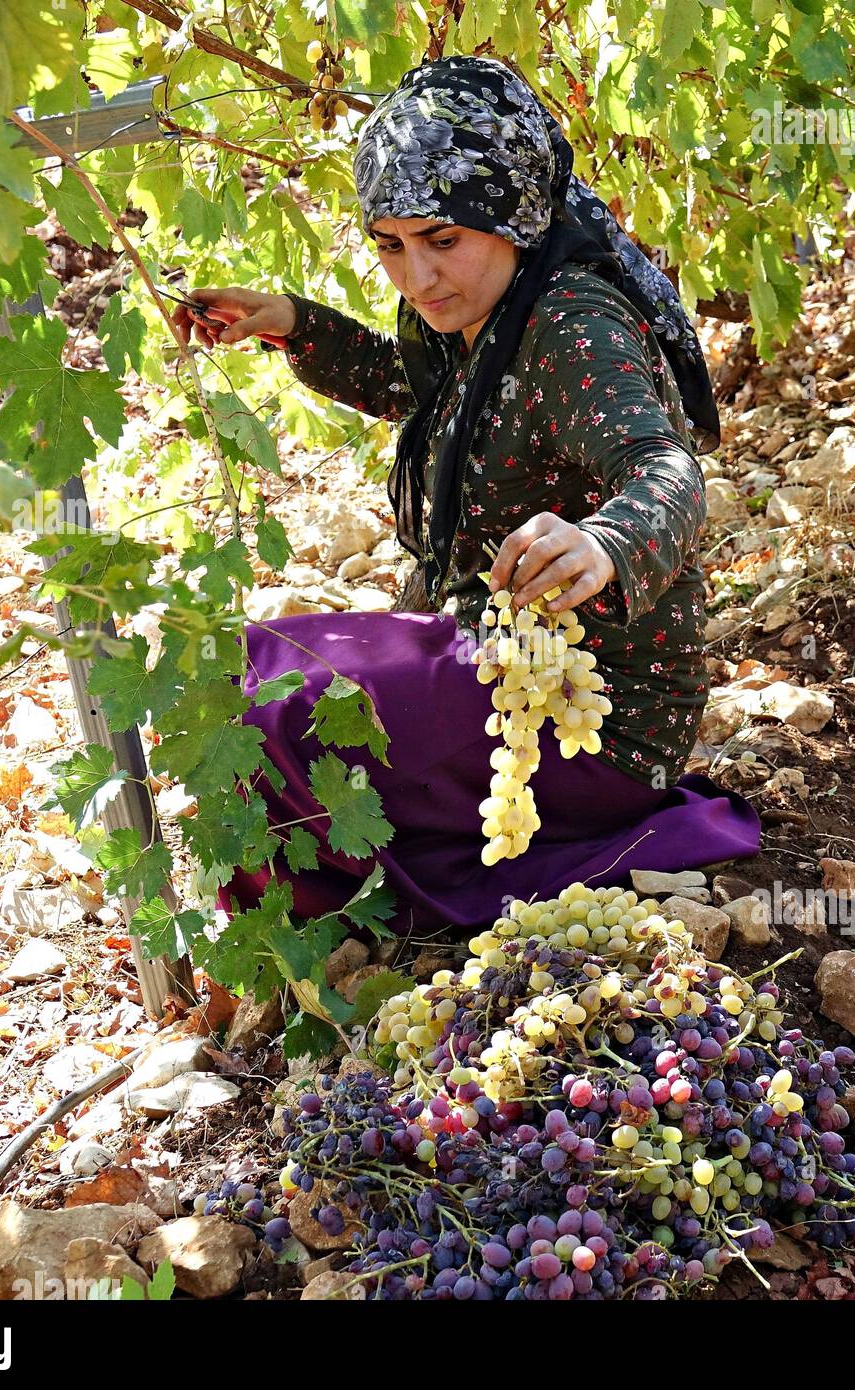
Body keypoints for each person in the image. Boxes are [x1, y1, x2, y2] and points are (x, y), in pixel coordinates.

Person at [173, 54, 761, 940]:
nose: (415, 277)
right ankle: (314, 902)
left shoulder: (571, 327)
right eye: (389, 244)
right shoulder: (480, 305)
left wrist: (604, 543)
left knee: (279, 710)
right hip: (494, 655)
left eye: (441, 240)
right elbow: (423, 392)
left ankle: (305, 934)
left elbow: (666, 470)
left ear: (516, 214)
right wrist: (293, 322)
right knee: (255, 663)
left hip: (583, 715)